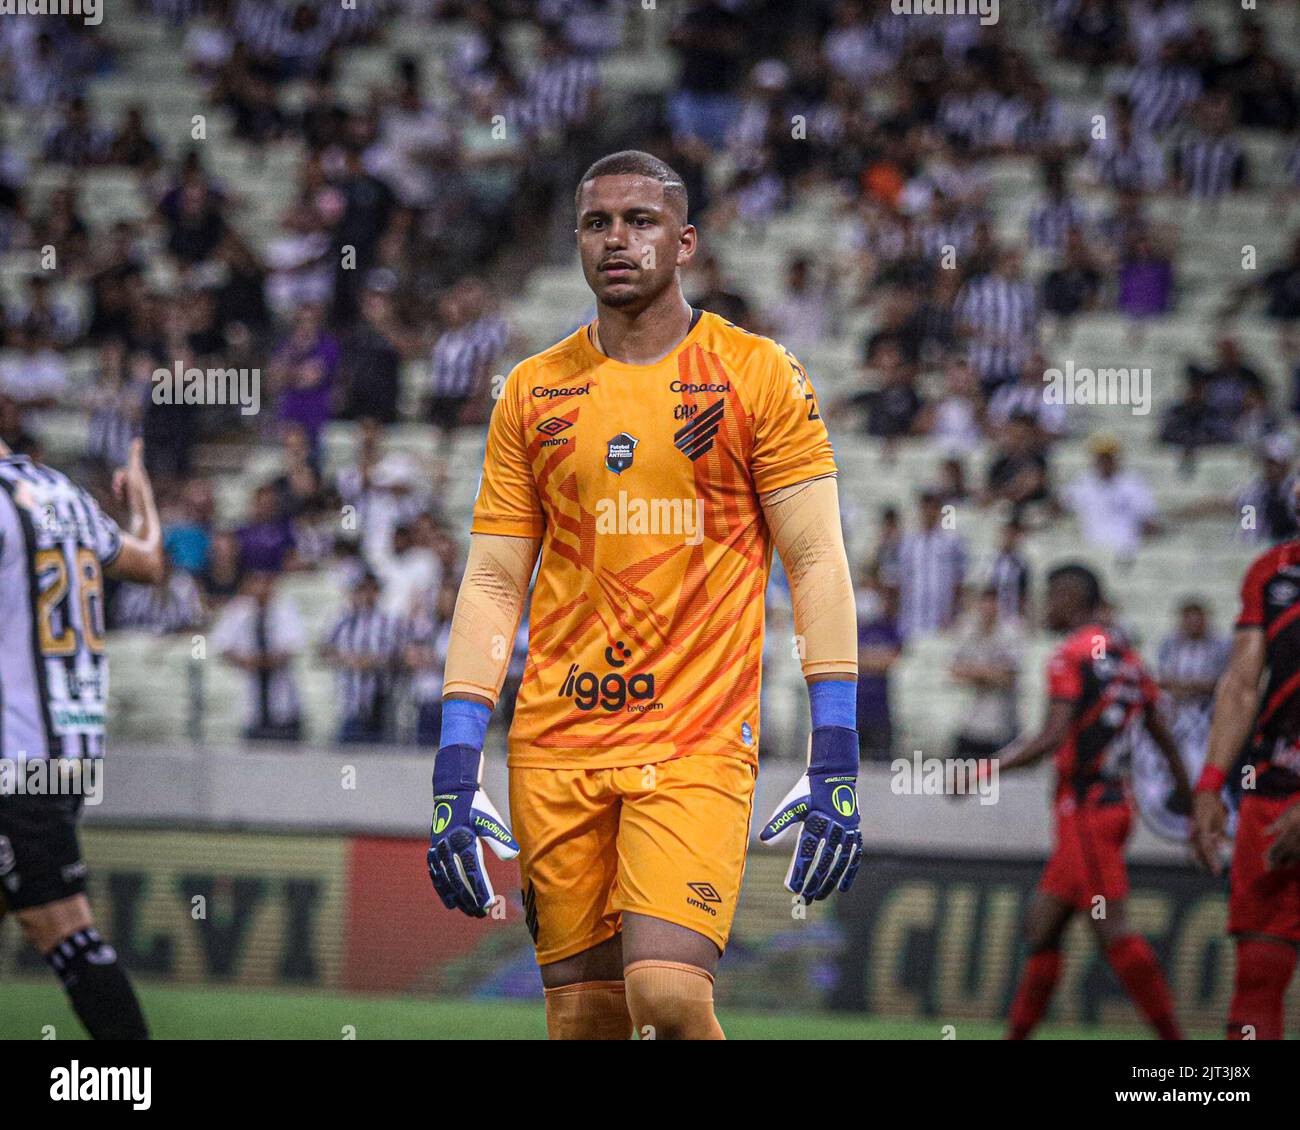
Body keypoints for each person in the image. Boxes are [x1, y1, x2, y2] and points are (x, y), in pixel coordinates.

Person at [424, 151, 863, 1041]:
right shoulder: (532, 392)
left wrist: (837, 753)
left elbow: (816, 559)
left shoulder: (760, 375)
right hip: (555, 741)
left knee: (666, 998)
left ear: (686, 241)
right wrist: (454, 764)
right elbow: (494, 579)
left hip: (694, 740)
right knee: (585, 1025)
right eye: (596, 223)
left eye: (641, 221)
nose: (616, 239)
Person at [0, 437, 164, 1040]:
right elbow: (149, 560)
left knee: (64, 931)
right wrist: (143, 499)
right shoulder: (63, 493)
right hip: (66, 753)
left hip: (16, 761)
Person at [992, 563, 1191, 1040]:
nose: (1045, 605)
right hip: (1110, 806)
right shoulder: (1127, 656)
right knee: (1041, 929)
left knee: (1112, 930)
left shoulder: (1071, 656)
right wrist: (1191, 797)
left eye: (1050, 595)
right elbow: (1162, 733)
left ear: (1069, 597)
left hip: (1087, 809)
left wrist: (981, 770)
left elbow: (1051, 738)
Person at [1193, 522, 1300, 1039]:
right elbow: (1240, 683)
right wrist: (1210, 784)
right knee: (1257, 977)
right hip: (1273, 794)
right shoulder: (1272, 571)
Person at [211, 570, 306, 742]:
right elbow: (220, 645)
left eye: (266, 583)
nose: (261, 588)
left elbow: (292, 648)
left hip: (280, 689)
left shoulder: (285, 609)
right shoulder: (237, 610)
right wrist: (244, 660)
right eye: (257, 583)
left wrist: (259, 661)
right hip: (248, 689)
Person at [319, 571, 406, 744]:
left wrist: (374, 661)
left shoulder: (388, 622)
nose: (366, 595)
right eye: (361, 590)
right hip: (348, 702)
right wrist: (346, 659)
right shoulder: (341, 621)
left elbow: (400, 656)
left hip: (380, 702)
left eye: (370, 590)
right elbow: (324, 651)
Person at [950, 588, 1020, 758]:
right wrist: (990, 672)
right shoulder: (967, 629)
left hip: (1000, 725)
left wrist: (974, 672)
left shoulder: (1012, 631)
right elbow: (955, 671)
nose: (989, 607)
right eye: (986, 601)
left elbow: (1008, 677)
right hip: (968, 724)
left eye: (994, 602)